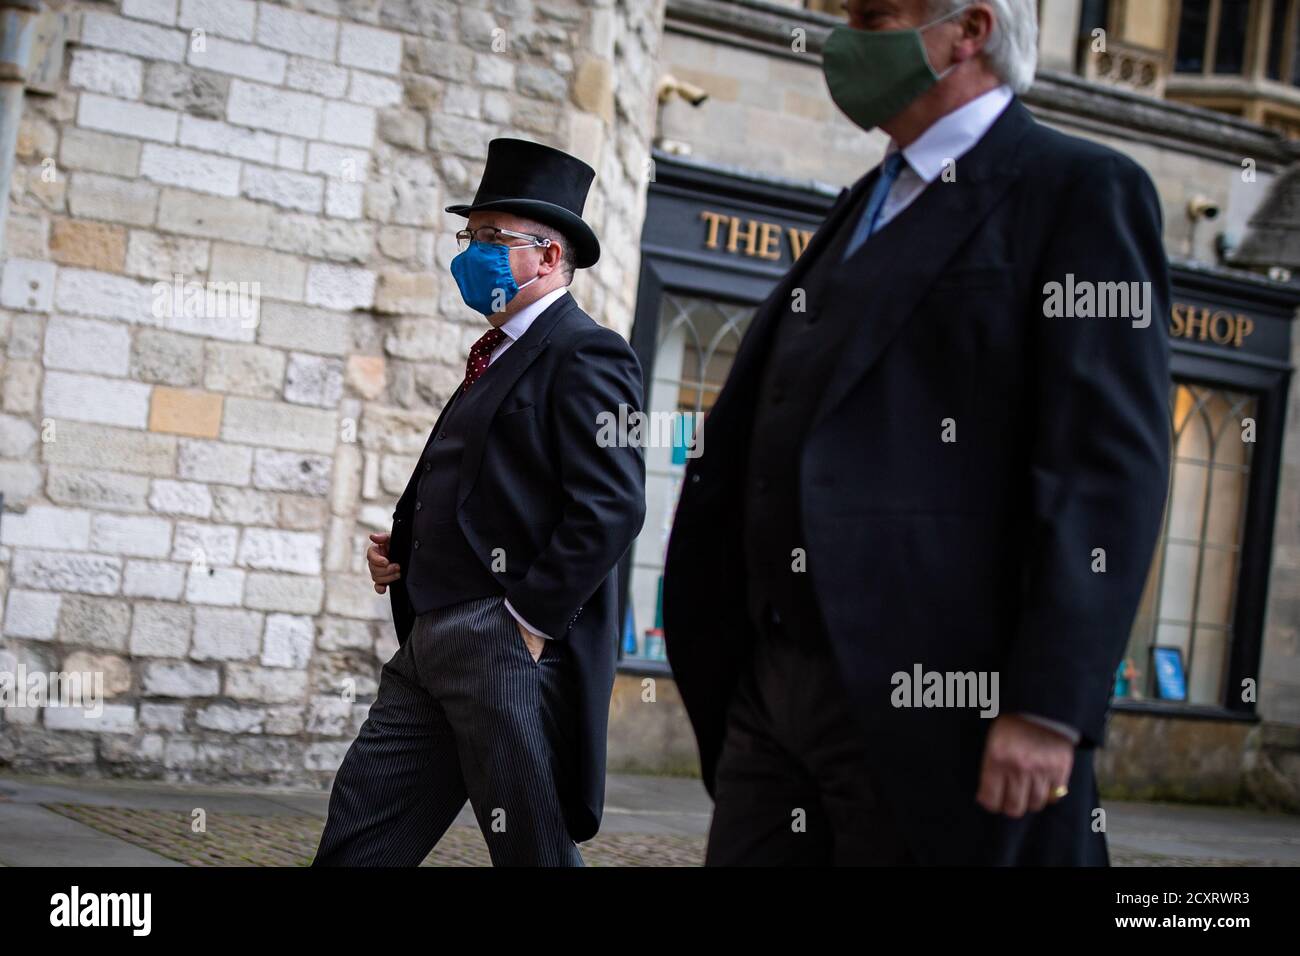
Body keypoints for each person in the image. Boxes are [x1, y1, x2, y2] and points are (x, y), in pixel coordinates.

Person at [662, 0, 1171, 865]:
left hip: (943, 701)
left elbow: (1104, 464)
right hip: (773, 684)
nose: (846, 39)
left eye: (872, 14)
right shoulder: (869, 199)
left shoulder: (1077, 190)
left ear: (967, 31)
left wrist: (1048, 702)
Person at [313, 138, 646, 866]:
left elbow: (613, 505)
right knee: (359, 841)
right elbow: (482, 484)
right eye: (472, 236)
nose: (475, 254)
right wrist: (408, 548)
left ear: (550, 257)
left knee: (535, 855)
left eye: (495, 240)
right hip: (428, 639)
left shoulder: (587, 352)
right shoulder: (494, 352)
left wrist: (524, 623)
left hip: (501, 646)